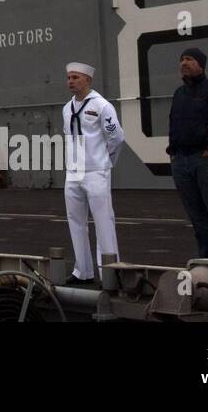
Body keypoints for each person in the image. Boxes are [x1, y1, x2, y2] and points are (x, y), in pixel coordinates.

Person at [167, 48, 208, 276]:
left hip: (204, 162)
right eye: (182, 59)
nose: (184, 62)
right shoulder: (179, 93)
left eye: (189, 59)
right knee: (197, 218)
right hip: (181, 161)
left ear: (201, 65)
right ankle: (206, 265)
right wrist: (172, 152)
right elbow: (173, 123)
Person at [62, 61, 124, 285]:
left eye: (76, 77)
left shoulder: (102, 106)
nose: (71, 81)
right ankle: (83, 271)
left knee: (103, 222)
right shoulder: (67, 108)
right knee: (75, 221)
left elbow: (115, 137)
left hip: (96, 170)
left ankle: (109, 272)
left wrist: (105, 162)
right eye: (69, 77)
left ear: (87, 80)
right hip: (74, 171)